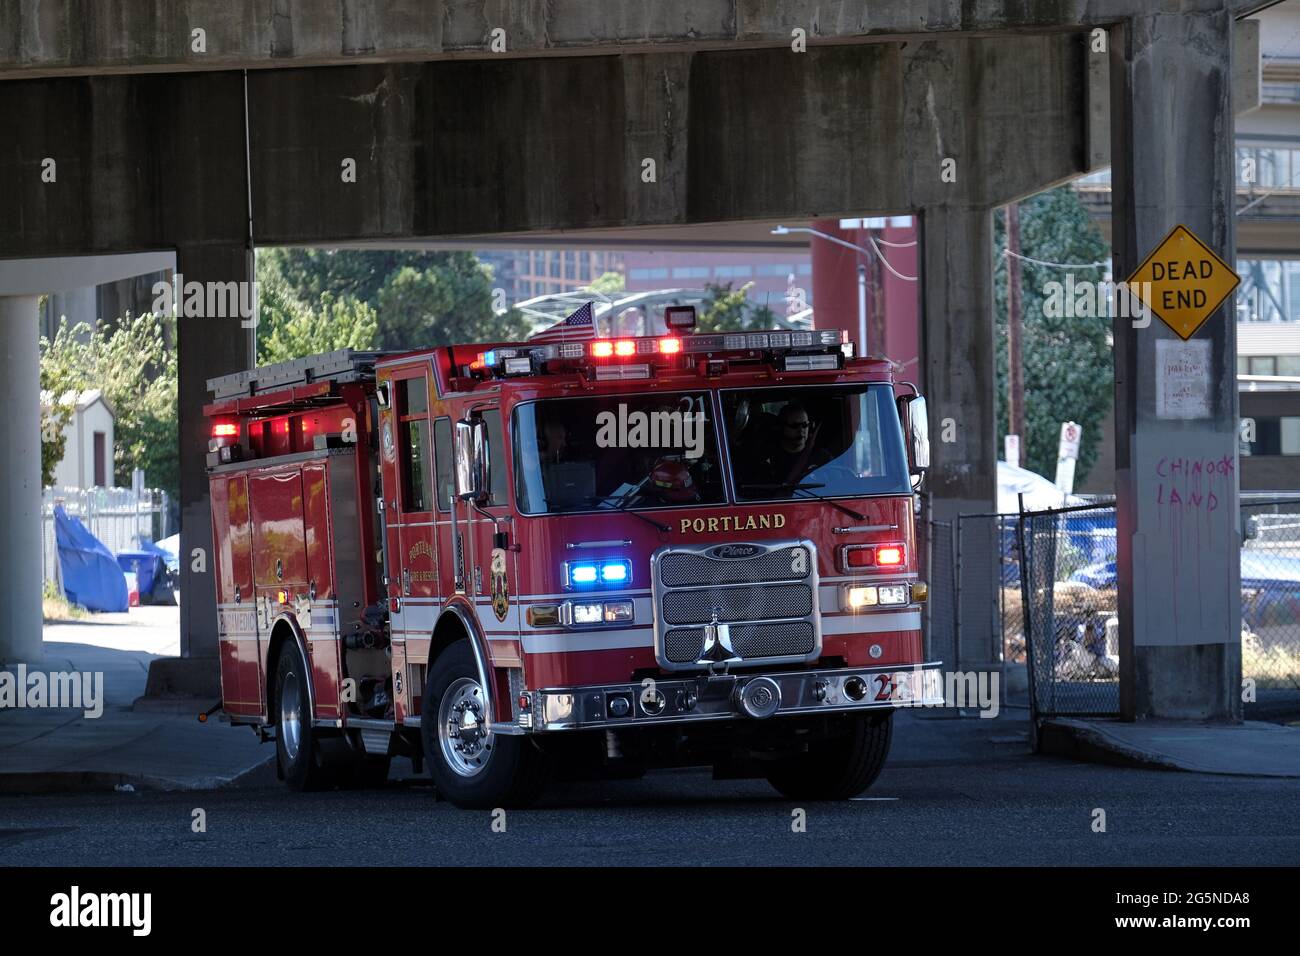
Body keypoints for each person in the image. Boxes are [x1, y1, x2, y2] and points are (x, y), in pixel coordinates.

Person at [758, 401, 831, 486]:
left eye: (805, 425)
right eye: (794, 426)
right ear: (781, 427)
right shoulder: (766, 458)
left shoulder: (822, 458)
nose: (801, 430)